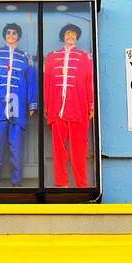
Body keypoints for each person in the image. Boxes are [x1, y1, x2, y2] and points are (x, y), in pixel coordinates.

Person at [0, 23, 37, 187]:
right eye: (8, 32)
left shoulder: (25, 56)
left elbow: (31, 81)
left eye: (14, 32)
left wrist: (32, 103)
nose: (11, 35)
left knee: (16, 146)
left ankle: (16, 182)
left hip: (17, 104)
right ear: (4, 35)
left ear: (18, 36)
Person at [44, 25, 94, 188]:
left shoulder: (84, 57)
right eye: (68, 33)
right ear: (63, 36)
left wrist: (90, 104)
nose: (71, 35)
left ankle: (81, 184)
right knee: (58, 150)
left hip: (78, 107)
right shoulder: (52, 57)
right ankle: (61, 183)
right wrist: (47, 105)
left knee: (79, 150)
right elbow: (46, 83)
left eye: (73, 34)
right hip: (57, 108)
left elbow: (89, 82)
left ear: (77, 38)